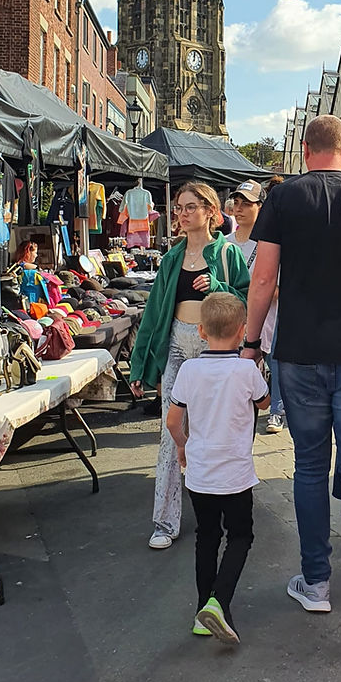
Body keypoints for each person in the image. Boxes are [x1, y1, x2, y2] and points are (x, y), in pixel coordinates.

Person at [242, 114, 341, 646]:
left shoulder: (283, 200)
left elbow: (264, 276)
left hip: (301, 352)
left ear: (305, 151)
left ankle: (315, 581)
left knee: (310, 464)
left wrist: (250, 343)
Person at [129, 182, 250, 548]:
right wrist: (139, 365)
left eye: (190, 207)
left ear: (210, 211)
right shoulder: (171, 258)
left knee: (216, 428)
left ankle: (223, 509)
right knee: (172, 430)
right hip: (177, 345)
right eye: (179, 207)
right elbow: (154, 314)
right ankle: (165, 521)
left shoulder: (228, 254)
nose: (181, 214)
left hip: (214, 347)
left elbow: (245, 300)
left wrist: (216, 285)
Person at [166, 293, 271, 644]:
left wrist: (183, 446)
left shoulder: (189, 370)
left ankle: (201, 610)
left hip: (200, 472)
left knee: (207, 538)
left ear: (200, 331)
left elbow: (173, 420)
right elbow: (264, 401)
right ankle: (218, 602)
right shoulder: (245, 370)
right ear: (242, 332)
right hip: (236, 474)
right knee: (241, 536)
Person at [226, 179, 284, 433]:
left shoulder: (269, 243)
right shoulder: (224, 243)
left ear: (260, 207)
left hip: (267, 319)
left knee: (276, 363)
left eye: (246, 204)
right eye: (236, 203)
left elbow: (279, 287)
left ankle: (278, 410)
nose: (239, 209)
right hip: (233, 320)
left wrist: (257, 292)